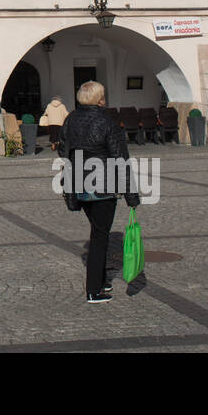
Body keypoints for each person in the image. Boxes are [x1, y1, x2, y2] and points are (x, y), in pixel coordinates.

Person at [58, 81, 140, 303]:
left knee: (97, 232)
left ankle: (101, 281)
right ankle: (94, 291)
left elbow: (61, 148)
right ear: (100, 99)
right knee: (99, 237)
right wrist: (132, 195)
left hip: (79, 185)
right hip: (103, 187)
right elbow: (120, 159)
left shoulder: (71, 119)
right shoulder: (107, 122)